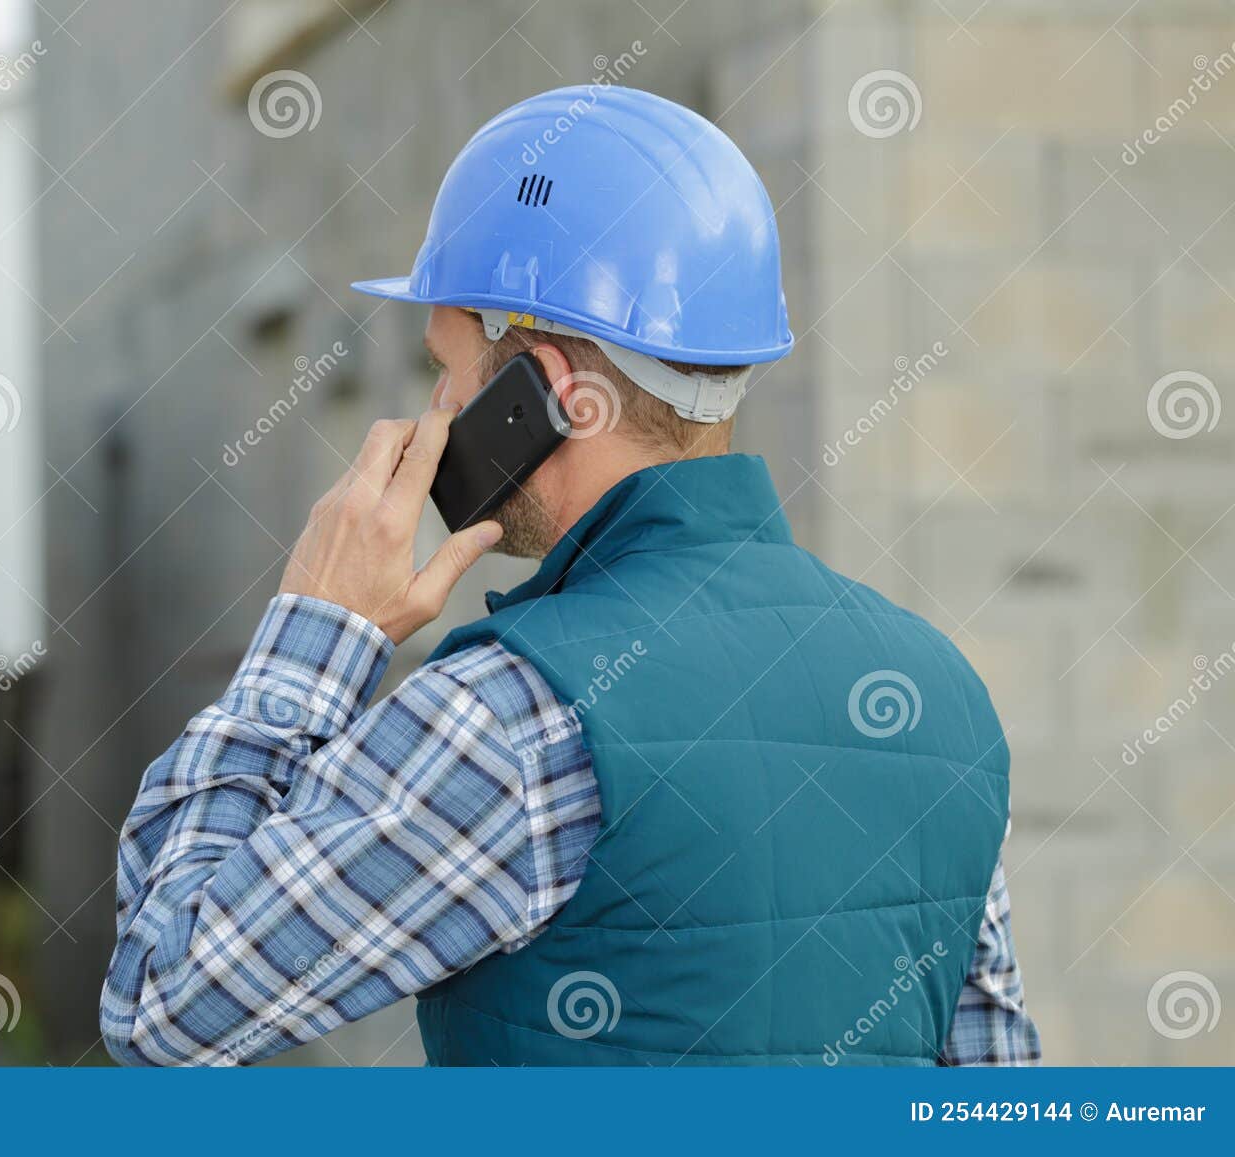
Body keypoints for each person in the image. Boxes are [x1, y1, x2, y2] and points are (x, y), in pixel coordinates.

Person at [100, 86, 1039, 1066]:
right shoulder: (938, 695)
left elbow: (163, 1006)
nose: (435, 411)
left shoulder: (507, 712)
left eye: (448, 371)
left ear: (542, 394)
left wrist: (315, 635)